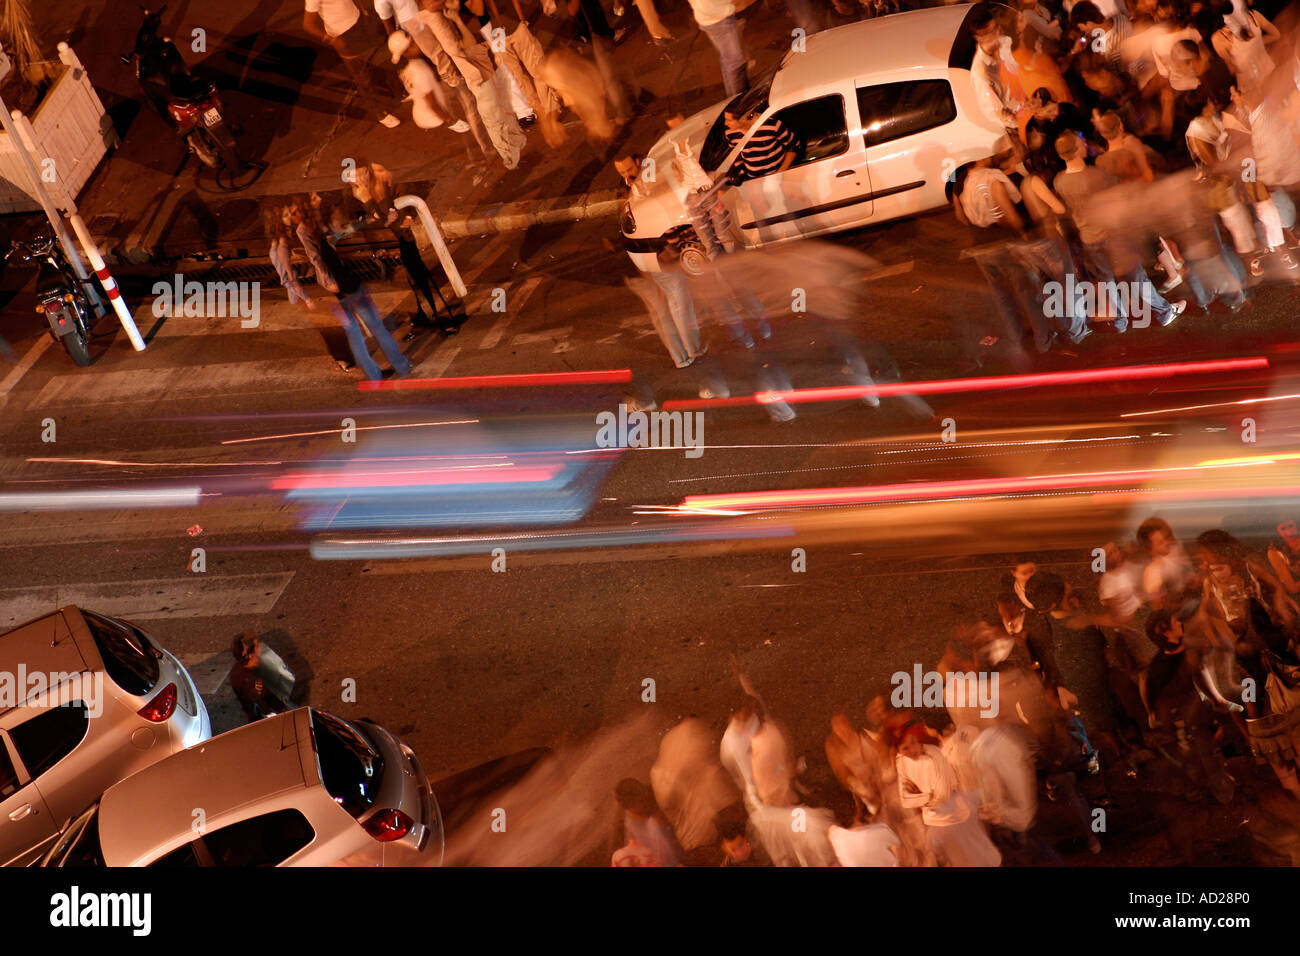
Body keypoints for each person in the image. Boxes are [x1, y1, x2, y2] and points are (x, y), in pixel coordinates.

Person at [309, 207, 414, 381]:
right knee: (378, 329)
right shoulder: (328, 240)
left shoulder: (317, 242)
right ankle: (402, 366)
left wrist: (369, 219)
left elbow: (349, 229)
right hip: (353, 290)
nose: (339, 225)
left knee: (355, 335)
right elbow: (347, 230)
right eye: (335, 222)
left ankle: (374, 375)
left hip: (338, 296)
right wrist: (369, 219)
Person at [895, 721, 1001, 866]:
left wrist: (922, 796)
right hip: (961, 810)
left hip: (962, 810)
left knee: (976, 849)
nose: (911, 750)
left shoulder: (940, 755)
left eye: (911, 744)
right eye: (905, 748)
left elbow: (943, 794)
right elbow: (906, 799)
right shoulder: (968, 730)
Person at [304, 0, 404, 127]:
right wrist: (333, 40)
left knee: (380, 56)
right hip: (342, 35)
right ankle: (380, 112)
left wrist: (363, 10)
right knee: (362, 76)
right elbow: (308, 24)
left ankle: (397, 90)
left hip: (359, 22)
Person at [611, 778, 684, 865]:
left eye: (645, 798)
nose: (646, 802)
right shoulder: (631, 827)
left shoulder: (649, 809)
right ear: (631, 807)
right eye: (641, 801)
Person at [228, 632, 295, 722]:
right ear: (250, 655)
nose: (260, 648)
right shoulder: (251, 680)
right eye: (256, 647)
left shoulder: (235, 675)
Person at [688, 0, 747, 97]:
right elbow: (705, 6)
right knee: (735, 64)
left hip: (714, 19)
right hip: (719, 20)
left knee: (728, 62)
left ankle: (732, 100)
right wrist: (730, 8)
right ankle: (740, 102)